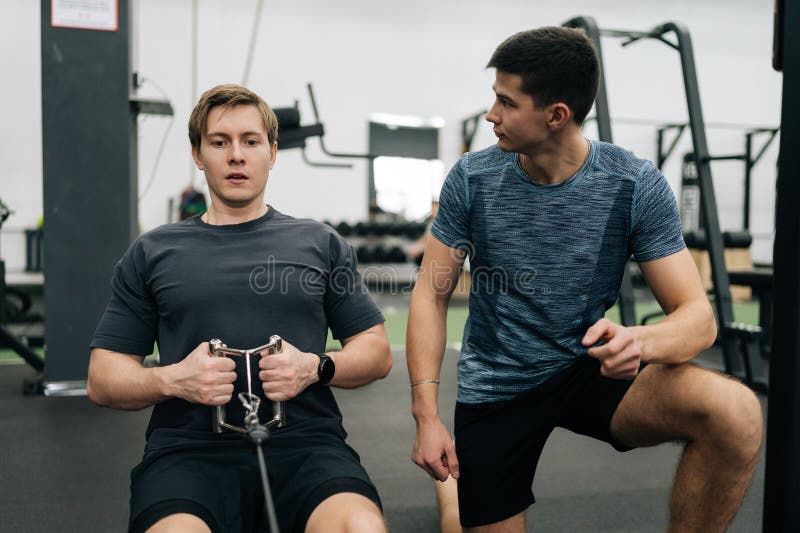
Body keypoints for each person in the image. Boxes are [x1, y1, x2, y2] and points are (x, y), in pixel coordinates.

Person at [407, 26, 763, 532]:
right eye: (494, 99)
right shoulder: (472, 178)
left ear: (556, 115)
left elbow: (699, 319)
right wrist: (427, 417)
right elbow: (430, 295)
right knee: (467, 518)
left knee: (736, 411)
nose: (491, 115)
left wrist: (640, 341)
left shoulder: (634, 184)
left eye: (506, 103)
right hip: (498, 384)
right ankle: (452, 497)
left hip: (587, 369)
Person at [87, 84, 392, 533]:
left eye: (250, 141)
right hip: (188, 452)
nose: (236, 155)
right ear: (197, 154)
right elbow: (102, 379)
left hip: (307, 445)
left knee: (361, 529)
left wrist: (315, 367)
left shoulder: (320, 242)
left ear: (272, 153)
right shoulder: (153, 251)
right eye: (219, 142)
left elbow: (377, 351)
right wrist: (174, 379)